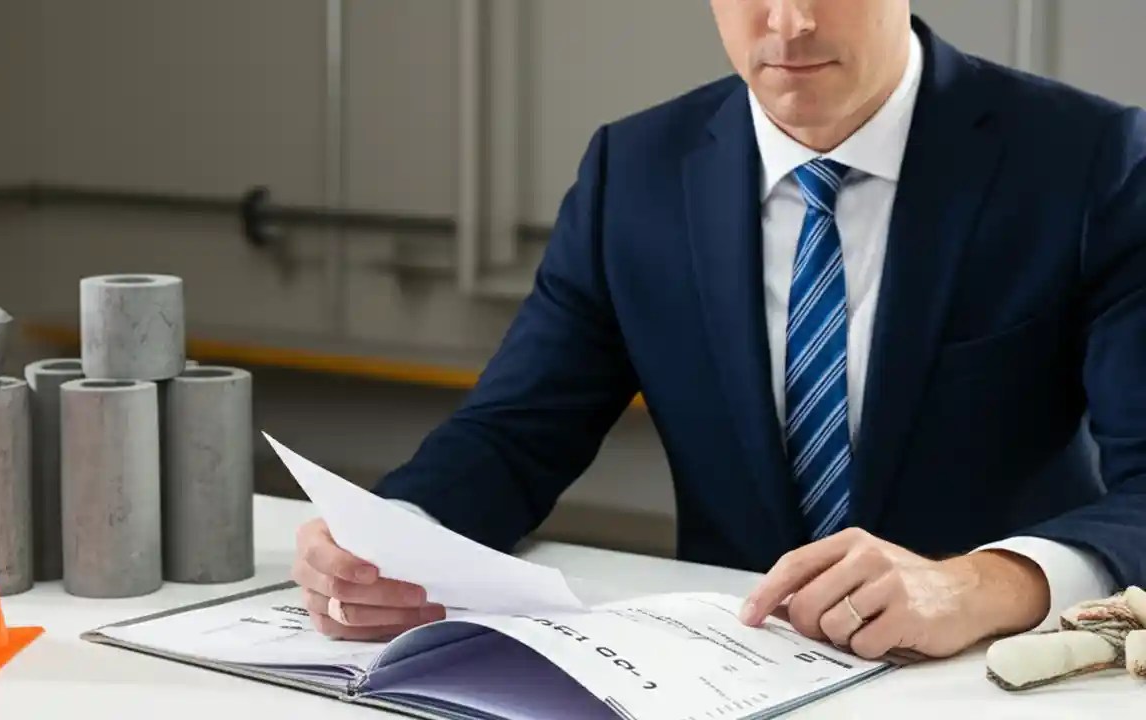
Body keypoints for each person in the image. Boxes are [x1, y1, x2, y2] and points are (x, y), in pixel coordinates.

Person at [293, 0, 1146, 660]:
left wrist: (980, 585)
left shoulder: (1089, 160)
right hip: (723, 669)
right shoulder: (635, 171)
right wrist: (389, 538)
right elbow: (516, 433)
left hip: (987, 673)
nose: (789, 22)